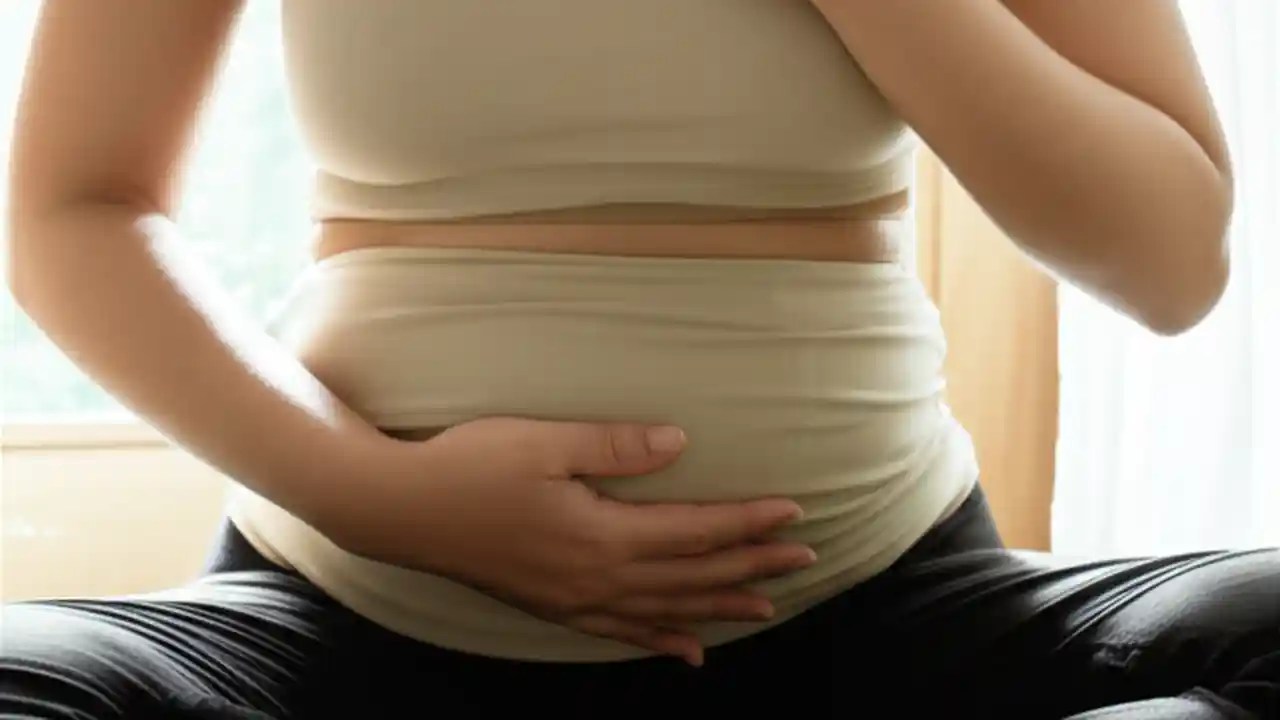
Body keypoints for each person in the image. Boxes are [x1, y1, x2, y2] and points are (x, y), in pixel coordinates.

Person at [1, 1, 1275, 718]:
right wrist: (387, 503)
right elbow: (78, 208)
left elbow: (1168, 263)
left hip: (883, 625)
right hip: (343, 629)